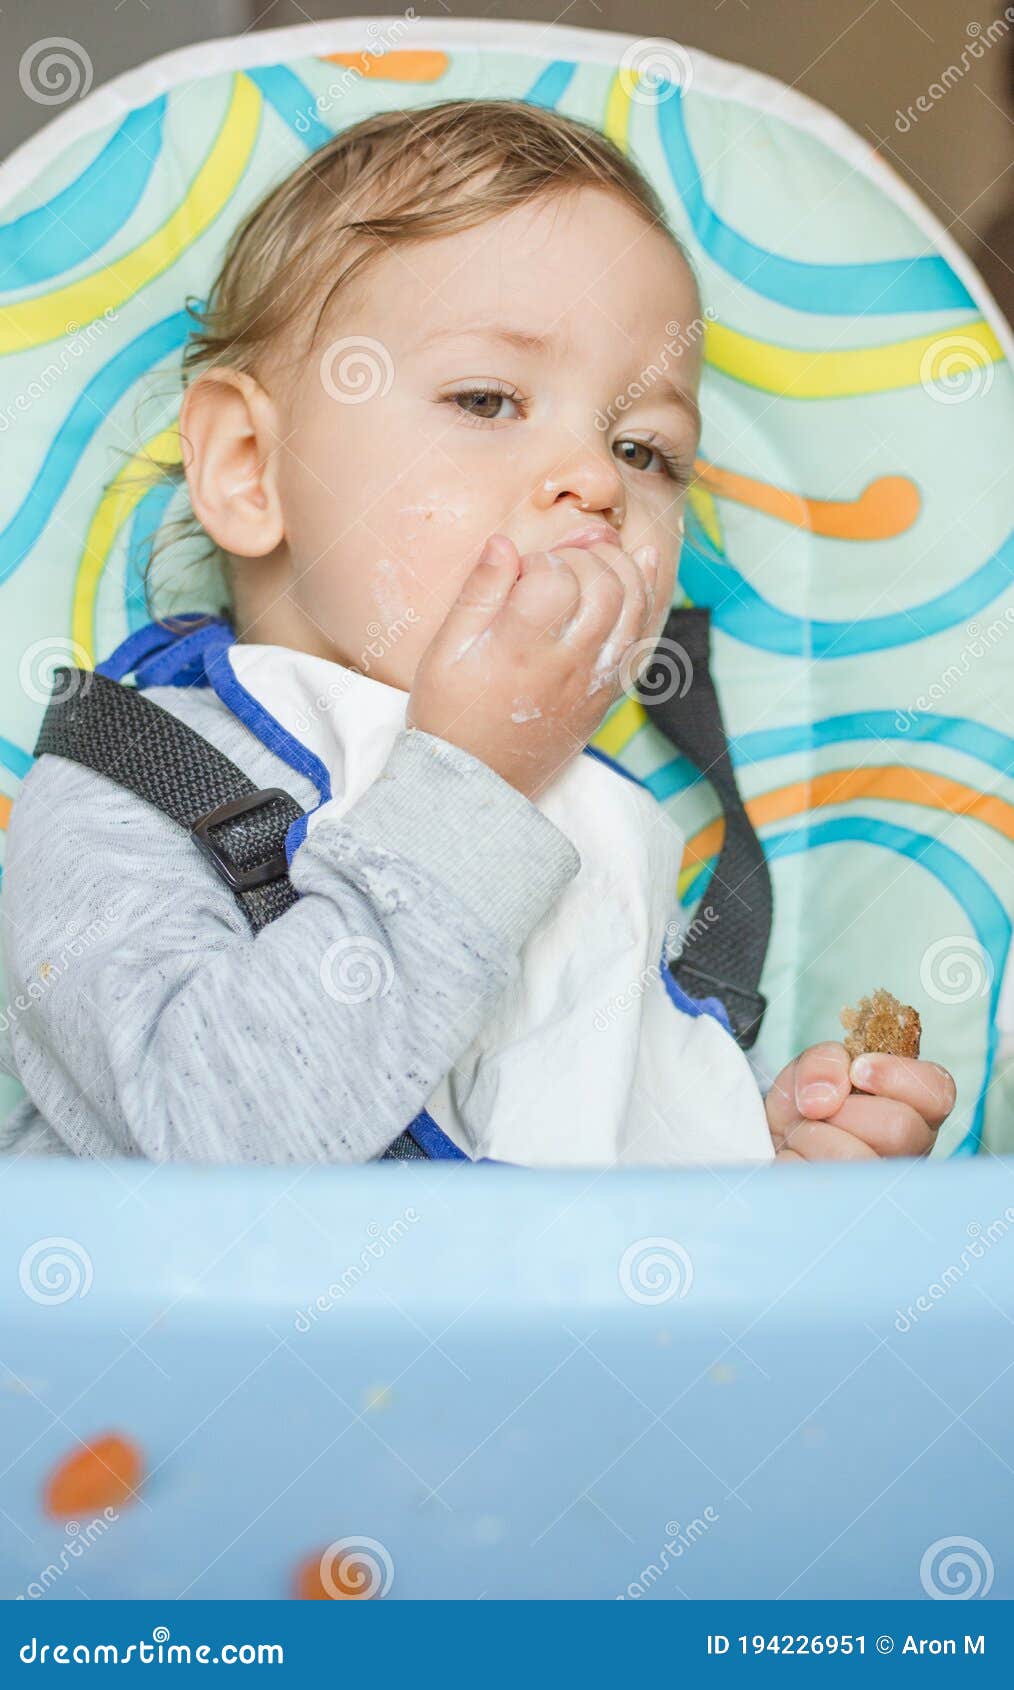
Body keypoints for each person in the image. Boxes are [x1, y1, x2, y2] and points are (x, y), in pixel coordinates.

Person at [0, 100, 956, 1166]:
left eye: (645, 450)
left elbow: (590, 1177)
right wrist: (471, 783)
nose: (596, 480)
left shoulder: (595, 813)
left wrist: (754, 1161)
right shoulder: (132, 778)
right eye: (490, 399)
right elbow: (210, 1147)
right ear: (246, 466)